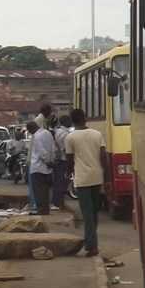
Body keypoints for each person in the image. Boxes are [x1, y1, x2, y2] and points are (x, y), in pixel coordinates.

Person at [65, 108, 108, 257]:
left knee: (87, 214)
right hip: (97, 178)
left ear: (72, 120)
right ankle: (92, 243)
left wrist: (68, 175)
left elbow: (69, 161)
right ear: (85, 118)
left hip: (82, 180)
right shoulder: (97, 134)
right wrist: (106, 176)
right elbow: (103, 157)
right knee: (94, 212)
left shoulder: (70, 138)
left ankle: (91, 245)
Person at [28, 118, 55, 215]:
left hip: (37, 167)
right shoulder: (47, 133)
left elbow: (41, 152)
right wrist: (51, 161)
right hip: (47, 168)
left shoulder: (36, 136)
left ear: (31, 129)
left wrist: (47, 161)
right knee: (45, 190)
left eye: (29, 131)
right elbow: (53, 147)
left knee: (38, 191)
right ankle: (46, 209)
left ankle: (41, 210)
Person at [51, 114, 71, 210]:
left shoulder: (57, 131)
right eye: (69, 121)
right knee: (62, 183)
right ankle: (58, 203)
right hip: (63, 160)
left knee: (58, 182)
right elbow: (67, 149)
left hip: (58, 160)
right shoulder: (65, 134)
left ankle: (57, 202)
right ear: (66, 122)